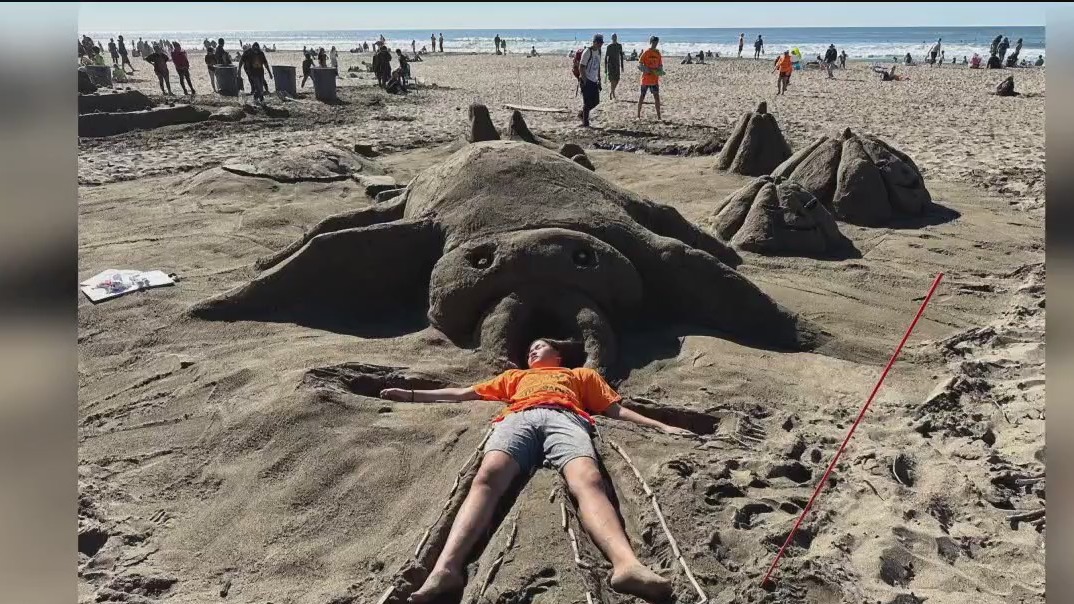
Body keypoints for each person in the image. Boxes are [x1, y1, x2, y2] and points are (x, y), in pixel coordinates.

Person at [383, 338, 685, 604]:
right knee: (487, 477)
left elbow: (614, 409)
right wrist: (412, 395)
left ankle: (626, 565)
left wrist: (662, 426)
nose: (532, 352)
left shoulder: (580, 375)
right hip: (519, 417)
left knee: (589, 480)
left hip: (566, 417)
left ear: (558, 355)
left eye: (539, 347)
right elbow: (465, 393)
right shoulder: (515, 377)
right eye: (529, 349)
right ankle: (446, 568)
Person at [577, 34, 604, 127]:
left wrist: (599, 79)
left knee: (596, 101)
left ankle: (582, 114)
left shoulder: (599, 51)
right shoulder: (587, 52)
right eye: (598, 43)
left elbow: (598, 66)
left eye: (601, 43)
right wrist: (585, 80)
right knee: (587, 102)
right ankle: (585, 122)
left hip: (594, 80)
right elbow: (581, 67)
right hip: (586, 79)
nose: (600, 44)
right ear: (594, 42)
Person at [637, 36, 662, 121]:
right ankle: (638, 116)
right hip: (645, 79)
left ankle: (659, 117)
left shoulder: (658, 53)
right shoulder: (646, 52)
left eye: (656, 43)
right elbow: (639, 64)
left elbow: (660, 65)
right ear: (651, 42)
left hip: (654, 80)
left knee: (657, 98)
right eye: (654, 42)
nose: (655, 44)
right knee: (642, 97)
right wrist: (646, 69)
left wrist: (660, 70)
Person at [605, 33, 624, 100]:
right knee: (612, 80)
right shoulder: (609, 46)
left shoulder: (619, 46)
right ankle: (613, 93)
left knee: (617, 80)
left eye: (615, 37)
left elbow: (621, 56)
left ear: (616, 37)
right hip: (610, 65)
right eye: (613, 37)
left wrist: (622, 66)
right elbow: (606, 57)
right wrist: (605, 68)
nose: (614, 38)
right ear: (611, 38)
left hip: (617, 65)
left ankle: (612, 92)